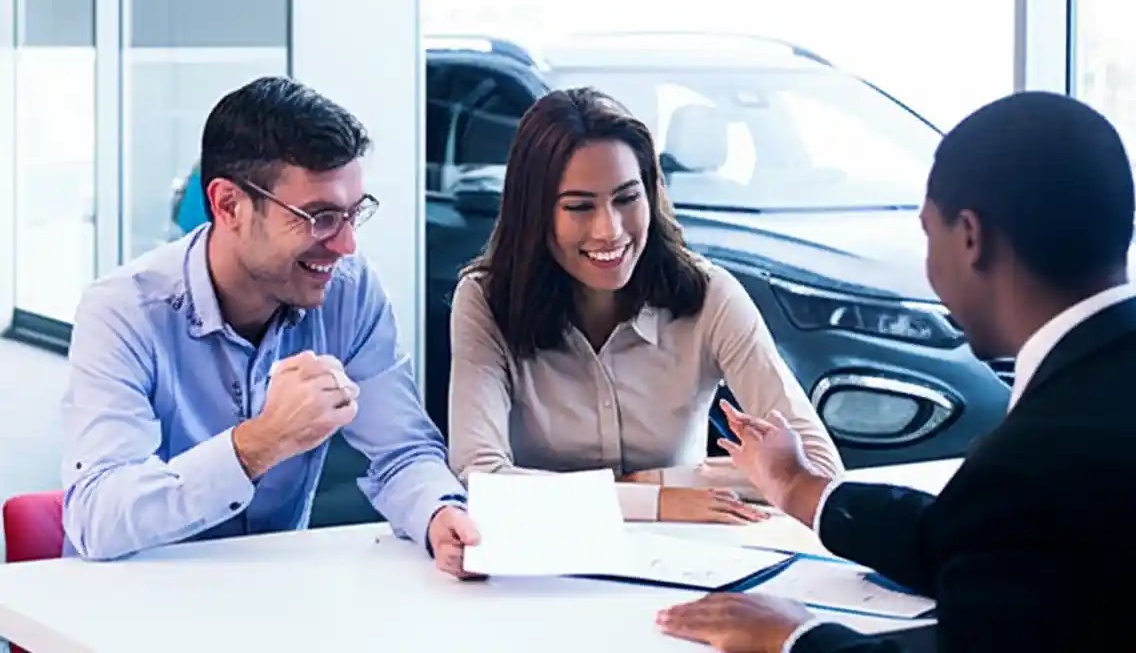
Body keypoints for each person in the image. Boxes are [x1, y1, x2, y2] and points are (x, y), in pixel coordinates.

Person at [656, 91, 1136, 651]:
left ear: (972, 238)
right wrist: (795, 485)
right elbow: (973, 540)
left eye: (929, 234)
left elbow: (1006, 528)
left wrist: (794, 637)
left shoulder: (1029, 468)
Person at [61, 76, 481, 578]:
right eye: (320, 217)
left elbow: (402, 450)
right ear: (228, 206)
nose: (345, 244)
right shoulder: (124, 311)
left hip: (272, 599)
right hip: (129, 604)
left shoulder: (347, 289)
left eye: (353, 213)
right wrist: (261, 442)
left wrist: (438, 512)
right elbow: (97, 517)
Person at [447, 87, 842, 522]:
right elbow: (477, 478)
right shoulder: (485, 300)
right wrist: (656, 501)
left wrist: (650, 480)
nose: (610, 230)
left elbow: (817, 471)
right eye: (579, 206)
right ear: (535, 213)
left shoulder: (709, 295)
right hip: (546, 561)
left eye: (627, 198)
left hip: (687, 552)